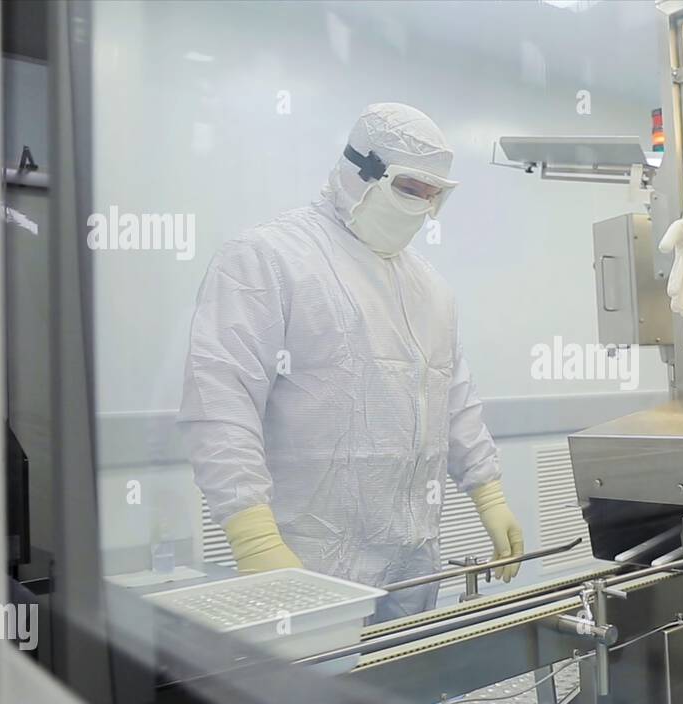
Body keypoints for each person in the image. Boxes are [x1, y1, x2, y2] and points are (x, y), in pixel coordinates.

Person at [178, 103, 523, 621]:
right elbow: (220, 399)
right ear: (361, 171)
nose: (422, 206)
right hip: (307, 562)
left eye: (435, 194)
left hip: (413, 564)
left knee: (405, 693)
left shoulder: (430, 287)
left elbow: (454, 399)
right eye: (410, 187)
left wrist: (488, 493)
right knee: (315, 700)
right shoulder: (267, 258)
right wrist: (252, 537)